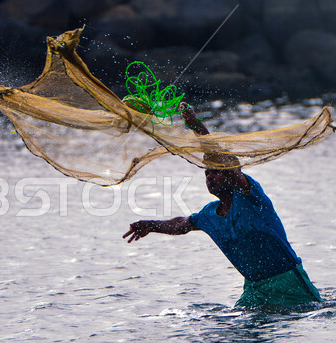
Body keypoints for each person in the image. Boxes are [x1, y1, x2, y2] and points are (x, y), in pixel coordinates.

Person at [122, 102, 323, 307]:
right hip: (255, 289)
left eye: (216, 171)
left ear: (230, 173)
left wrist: (199, 129)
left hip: (290, 284)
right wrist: (151, 225)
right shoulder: (209, 214)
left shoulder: (251, 196)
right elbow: (182, 224)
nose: (210, 176)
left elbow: (228, 167)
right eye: (207, 173)